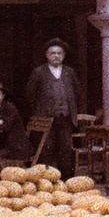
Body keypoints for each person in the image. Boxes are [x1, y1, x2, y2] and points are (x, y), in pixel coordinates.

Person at [25, 38, 84, 178]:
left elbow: (78, 92)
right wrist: (41, 111)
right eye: (53, 53)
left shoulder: (70, 72)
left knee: (65, 150)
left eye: (59, 53)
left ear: (63, 55)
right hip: (46, 120)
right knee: (47, 150)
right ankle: (48, 183)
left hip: (65, 119)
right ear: (47, 55)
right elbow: (30, 95)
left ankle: (65, 182)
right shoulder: (39, 72)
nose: (56, 56)